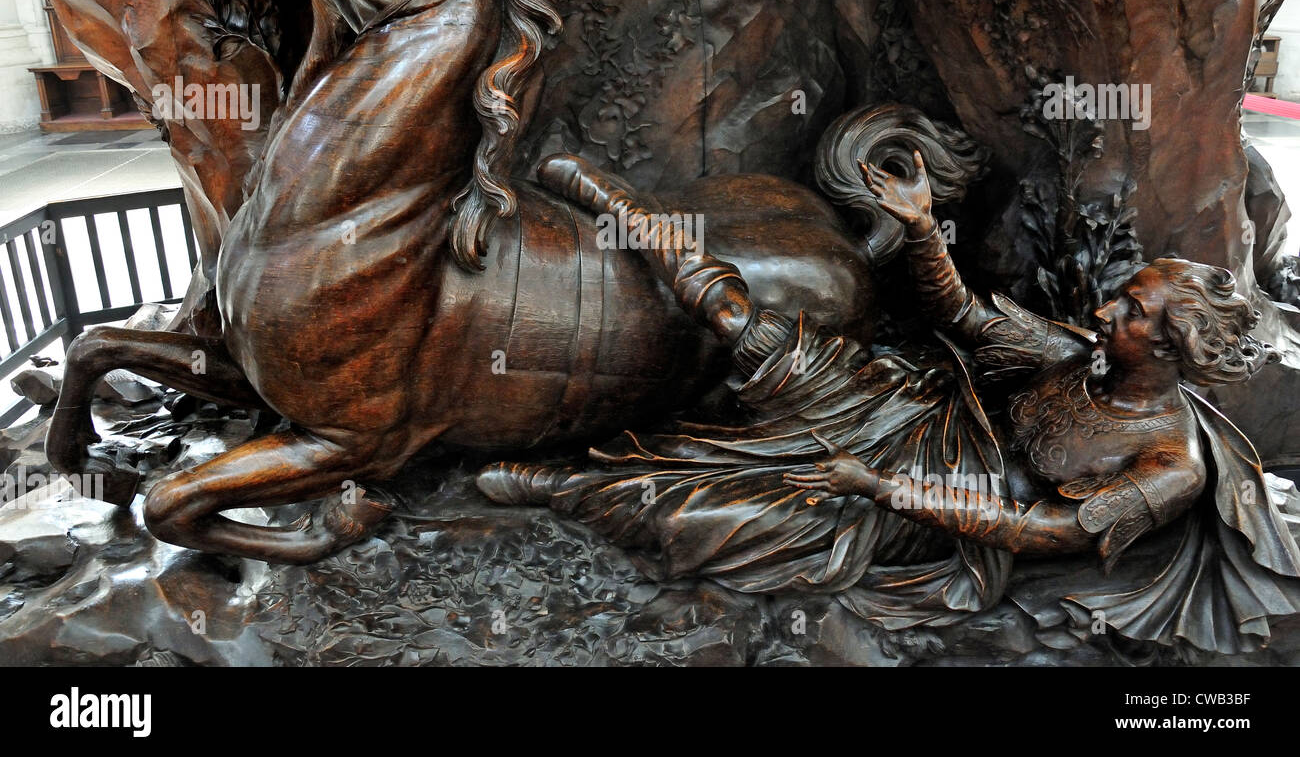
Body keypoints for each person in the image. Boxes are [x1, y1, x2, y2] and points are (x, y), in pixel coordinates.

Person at [478, 152, 1300, 653]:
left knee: (707, 510)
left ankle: (563, 488)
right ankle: (618, 205)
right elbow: (965, 319)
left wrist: (881, 490)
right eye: (1118, 297)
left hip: (929, 511)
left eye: (1127, 313)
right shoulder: (1079, 356)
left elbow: (1037, 532)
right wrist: (919, 229)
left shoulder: (1168, 465)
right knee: (754, 331)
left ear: (1167, 346)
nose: (1101, 313)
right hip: (911, 410)